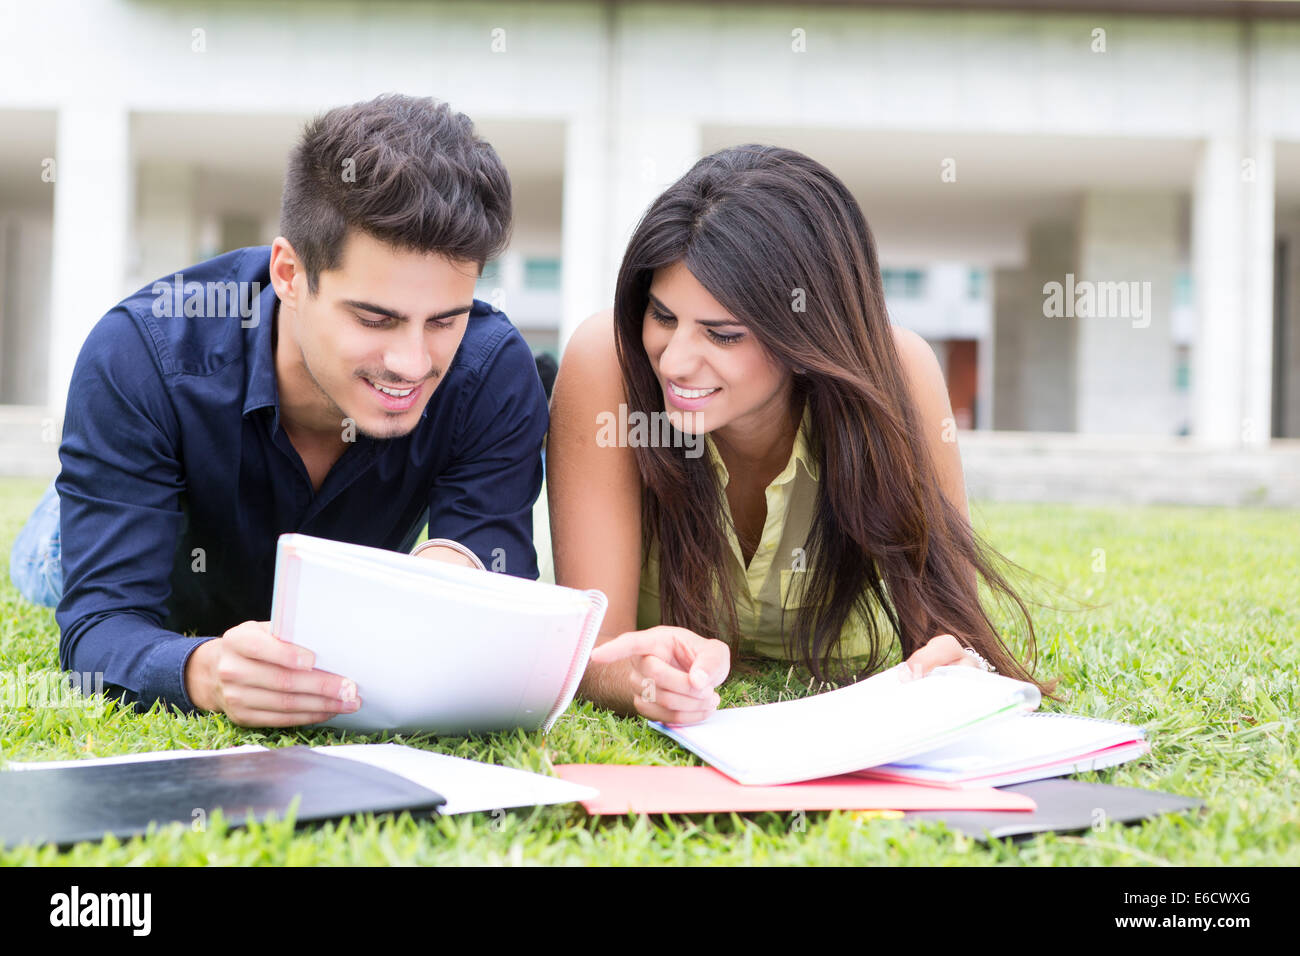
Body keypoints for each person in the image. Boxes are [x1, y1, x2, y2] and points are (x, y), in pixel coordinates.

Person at [9, 94, 549, 727]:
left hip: (315, 572)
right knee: (55, 565)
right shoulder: (139, 355)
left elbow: (496, 589)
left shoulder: (492, 371)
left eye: (445, 320)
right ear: (289, 274)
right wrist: (204, 671)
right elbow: (101, 627)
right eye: (375, 318)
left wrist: (453, 576)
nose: (411, 362)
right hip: (139, 517)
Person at [547, 144, 1056, 725]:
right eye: (663, 317)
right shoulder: (606, 363)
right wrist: (638, 680)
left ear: (806, 332)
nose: (675, 362)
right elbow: (598, 652)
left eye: (724, 334)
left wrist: (956, 668)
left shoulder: (899, 376)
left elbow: (947, 635)